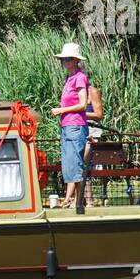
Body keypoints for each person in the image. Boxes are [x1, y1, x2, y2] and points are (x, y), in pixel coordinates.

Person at [50, 42, 89, 207]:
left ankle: (76, 201)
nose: (64, 62)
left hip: (75, 125)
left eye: (67, 59)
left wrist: (62, 110)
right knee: (68, 164)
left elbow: (83, 104)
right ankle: (74, 200)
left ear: (75, 60)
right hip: (67, 126)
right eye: (63, 59)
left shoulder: (80, 77)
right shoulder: (69, 78)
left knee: (75, 163)